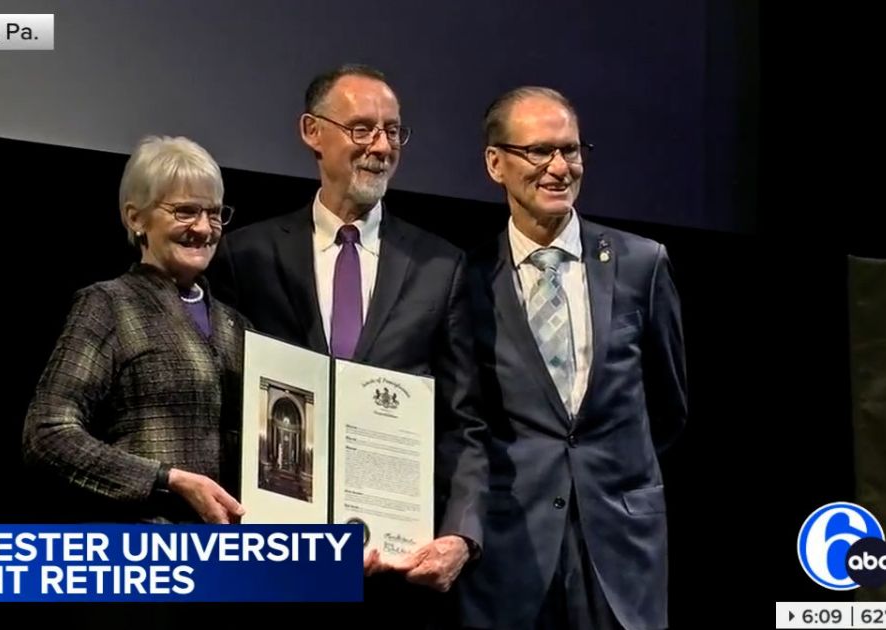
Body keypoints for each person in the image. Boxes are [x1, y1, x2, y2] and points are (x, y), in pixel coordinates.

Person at [208, 64, 489, 625]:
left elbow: (466, 423)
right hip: (276, 561)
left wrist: (461, 534)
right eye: (362, 129)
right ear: (313, 131)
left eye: (393, 131)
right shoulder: (247, 255)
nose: (381, 146)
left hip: (396, 571)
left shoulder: (441, 267)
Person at [458, 87, 688, 630]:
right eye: (539, 151)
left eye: (571, 150)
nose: (559, 167)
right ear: (496, 163)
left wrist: (613, 476)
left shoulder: (641, 264)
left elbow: (669, 405)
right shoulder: (465, 280)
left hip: (621, 545)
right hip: (515, 547)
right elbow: (465, 417)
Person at [22, 135, 247, 527]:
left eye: (213, 213)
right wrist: (166, 480)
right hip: (144, 557)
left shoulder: (238, 327)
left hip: (229, 562)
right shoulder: (109, 304)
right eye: (185, 211)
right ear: (135, 218)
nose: (204, 227)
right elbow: (47, 433)